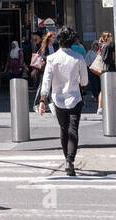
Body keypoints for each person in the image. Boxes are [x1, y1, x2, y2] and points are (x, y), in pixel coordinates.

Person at [37, 26, 89, 177]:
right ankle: (70, 161)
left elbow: (46, 81)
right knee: (73, 129)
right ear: (72, 40)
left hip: (58, 99)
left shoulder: (52, 59)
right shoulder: (78, 58)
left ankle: (67, 158)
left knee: (63, 129)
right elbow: (84, 82)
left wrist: (42, 100)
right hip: (75, 97)